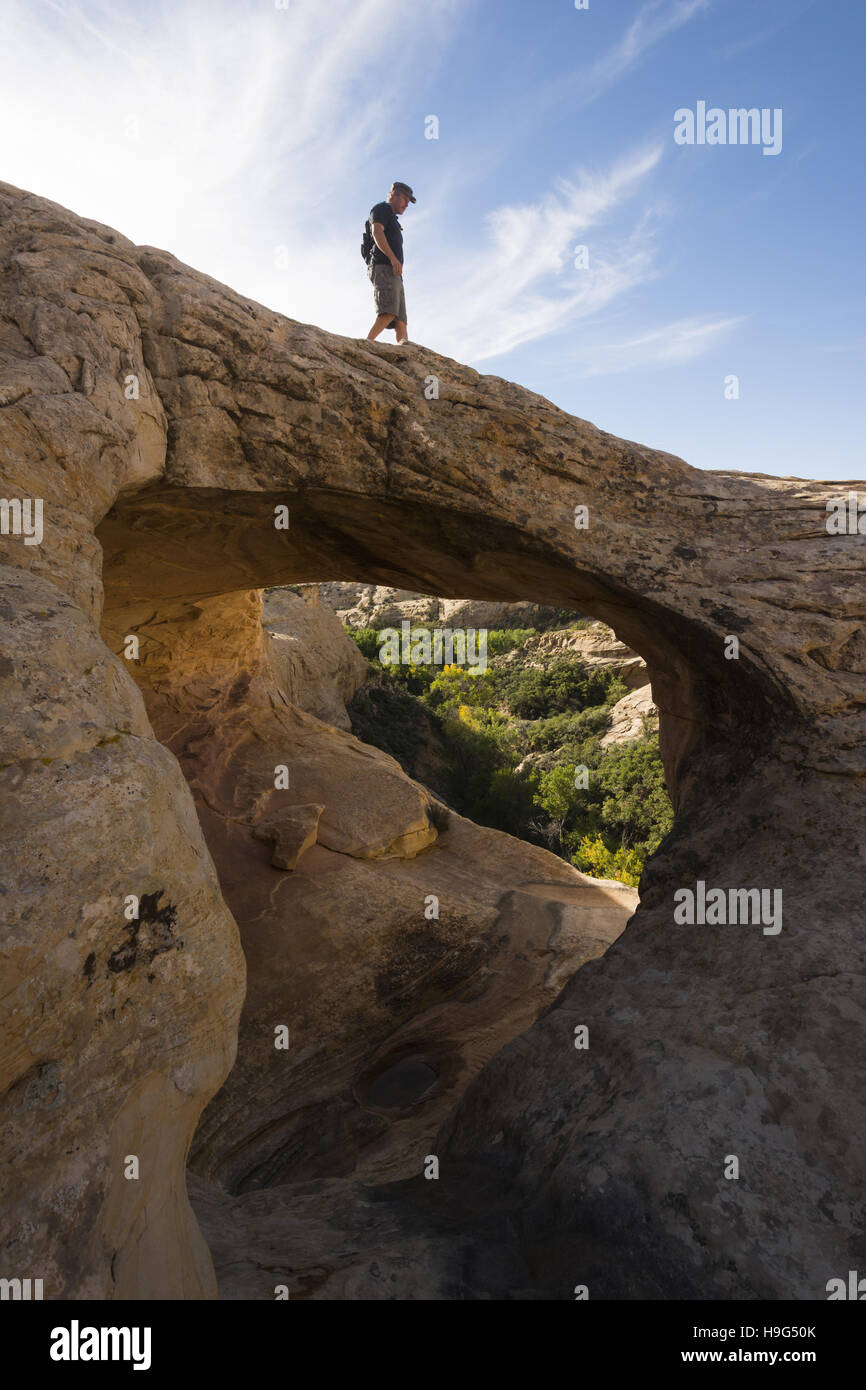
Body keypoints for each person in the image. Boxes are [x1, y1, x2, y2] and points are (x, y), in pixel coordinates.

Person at [365, 182, 415, 344]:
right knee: (388, 313)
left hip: (395, 273)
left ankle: (405, 356)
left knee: (401, 321)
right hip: (384, 266)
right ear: (394, 194)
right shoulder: (382, 209)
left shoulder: (395, 220)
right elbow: (377, 231)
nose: (407, 204)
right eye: (405, 199)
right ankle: (366, 344)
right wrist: (393, 258)